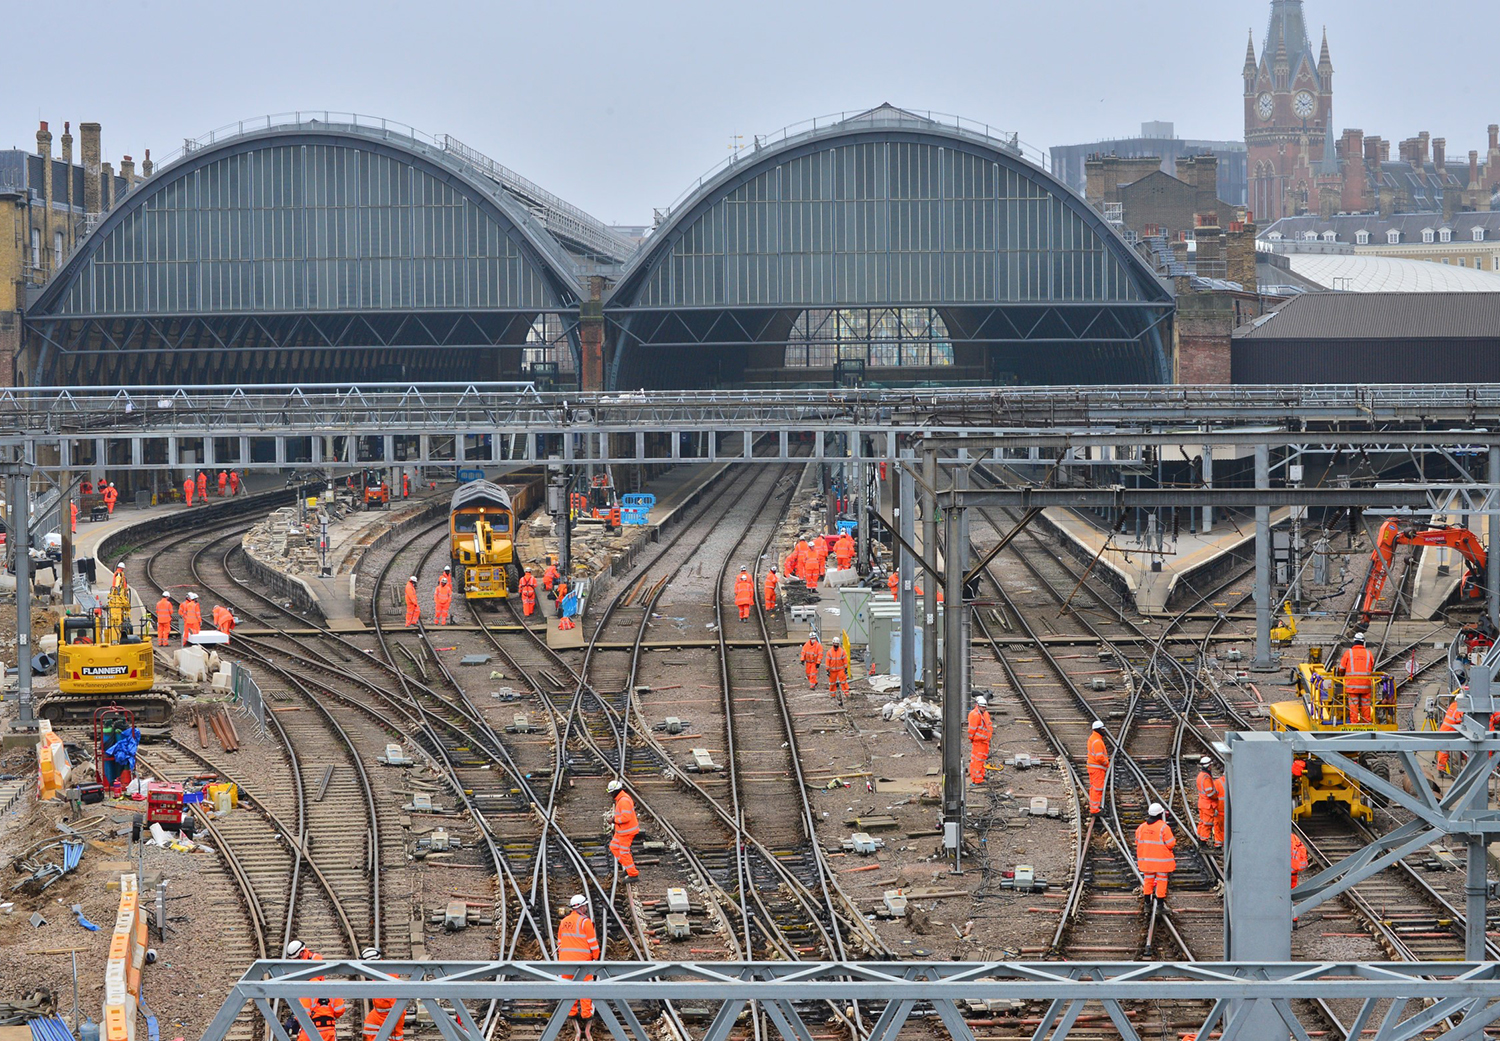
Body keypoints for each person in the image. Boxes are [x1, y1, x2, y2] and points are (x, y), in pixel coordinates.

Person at [558, 894, 600, 1040]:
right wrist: (596, 957)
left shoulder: (564, 922)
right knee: (585, 987)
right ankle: (586, 1014)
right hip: (583, 962)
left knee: (569, 986)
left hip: (565, 962)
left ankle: (571, 1011)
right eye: (585, 905)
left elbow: (559, 943)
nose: (586, 908)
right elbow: (593, 943)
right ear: (581, 907)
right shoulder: (585, 922)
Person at [1134, 802, 1177, 909]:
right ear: (1160, 814)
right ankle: (1160, 904)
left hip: (1147, 862)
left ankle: (1147, 903)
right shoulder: (1164, 828)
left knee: (1148, 880)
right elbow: (1171, 844)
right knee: (1162, 881)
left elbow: (1137, 842)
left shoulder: (1141, 828)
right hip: (1161, 863)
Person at [359, 948, 406, 1041]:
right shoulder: (379, 973)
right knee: (369, 1029)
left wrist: (393, 1021)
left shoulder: (387, 980)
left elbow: (398, 1007)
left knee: (394, 1037)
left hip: (390, 1016)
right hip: (379, 1014)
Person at [1339, 632, 1375, 725]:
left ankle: (1354, 723)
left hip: (1352, 685)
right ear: (1363, 642)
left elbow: (1341, 668)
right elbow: (1372, 667)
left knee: (1353, 705)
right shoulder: (1368, 653)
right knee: (1366, 704)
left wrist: (1342, 675)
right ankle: (1366, 722)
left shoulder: (1348, 653)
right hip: (1366, 686)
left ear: (1354, 641)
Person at [607, 779, 639, 878]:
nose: (610, 795)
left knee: (624, 852)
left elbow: (626, 818)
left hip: (626, 832)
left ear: (615, 791)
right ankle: (628, 867)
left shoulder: (623, 801)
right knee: (613, 847)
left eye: (611, 792)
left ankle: (633, 874)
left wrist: (613, 820)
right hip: (621, 831)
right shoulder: (621, 799)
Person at [1195, 756, 1223, 847]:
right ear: (1209, 766)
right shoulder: (1206, 778)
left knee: (1202, 822)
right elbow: (1210, 793)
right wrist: (1217, 796)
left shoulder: (1200, 775)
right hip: (1207, 804)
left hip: (1202, 802)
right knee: (1207, 823)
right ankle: (1203, 842)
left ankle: (1199, 838)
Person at [1437, 693, 1468, 773]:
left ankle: (1441, 769)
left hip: (1445, 730)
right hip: (1449, 732)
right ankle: (1442, 770)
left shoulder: (1453, 705)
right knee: (1445, 751)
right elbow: (1459, 720)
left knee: (1443, 751)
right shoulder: (1458, 707)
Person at [967, 695, 993, 785]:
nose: (984, 708)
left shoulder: (984, 714)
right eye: (982, 707)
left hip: (984, 741)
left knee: (981, 760)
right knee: (977, 760)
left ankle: (981, 775)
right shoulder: (974, 715)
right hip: (979, 741)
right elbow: (971, 730)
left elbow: (988, 726)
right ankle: (977, 779)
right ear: (977, 705)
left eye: (985, 707)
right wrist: (972, 739)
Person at [1086, 721, 1109, 816]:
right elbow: (1099, 757)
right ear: (1099, 729)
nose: (1104, 731)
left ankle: (1094, 806)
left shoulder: (1093, 738)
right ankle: (1095, 810)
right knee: (1098, 788)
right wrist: (1107, 763)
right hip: (1097, 769)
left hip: (1093, 767)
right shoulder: (1097, 741)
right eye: (1103, 729)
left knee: (1094, 788)